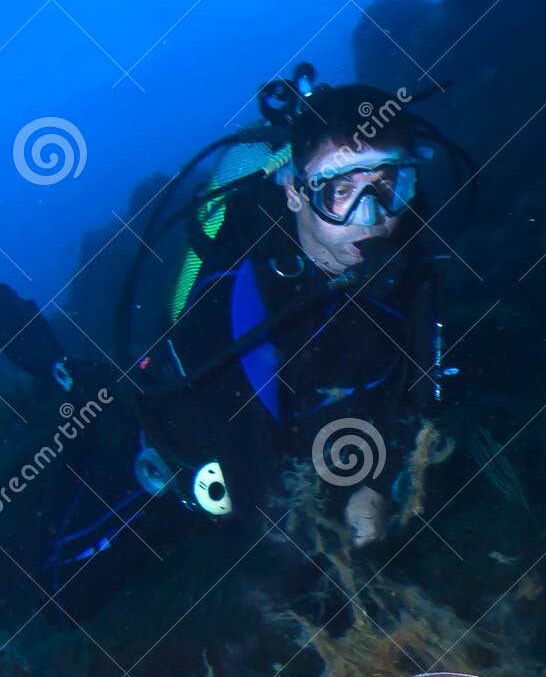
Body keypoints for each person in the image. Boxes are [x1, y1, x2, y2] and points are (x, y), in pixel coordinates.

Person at [0, 69, 464, 620]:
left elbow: (416, 386)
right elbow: (258, 492)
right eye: (339, 191)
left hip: (299, 432)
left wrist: (379, 482)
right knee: (60, 594)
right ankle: (67, 375)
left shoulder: (408, 258)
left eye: (387, 186)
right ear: (294, 191)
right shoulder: (237, 292)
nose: (369, 219)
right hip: (185, 453)